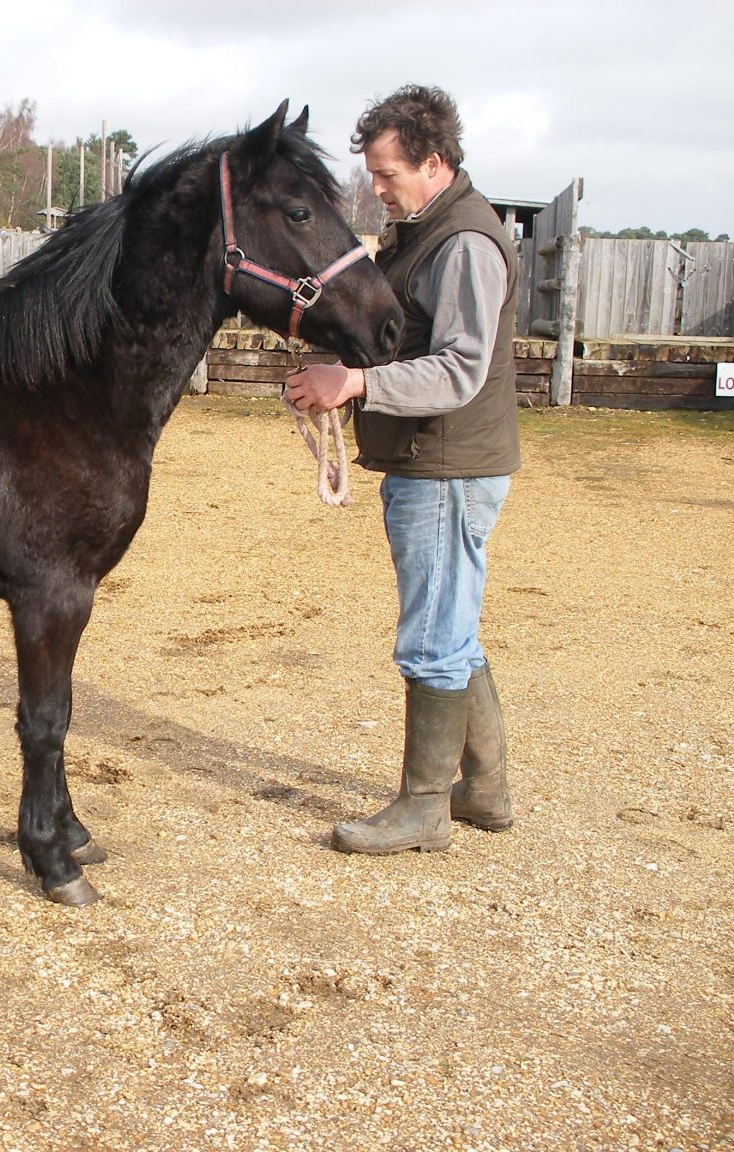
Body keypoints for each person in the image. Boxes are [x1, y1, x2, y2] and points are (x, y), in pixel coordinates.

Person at [282, 84, 519, 854]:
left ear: (434, 163)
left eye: (387, 175)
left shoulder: (464, 245)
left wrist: (354, 383)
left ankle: (424, 808)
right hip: (434, 461)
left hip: (446, 466)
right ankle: (484, 789)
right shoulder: (426, 232)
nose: (378, 189)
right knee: (454, 625)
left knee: (434, 637)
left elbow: (458, 369)